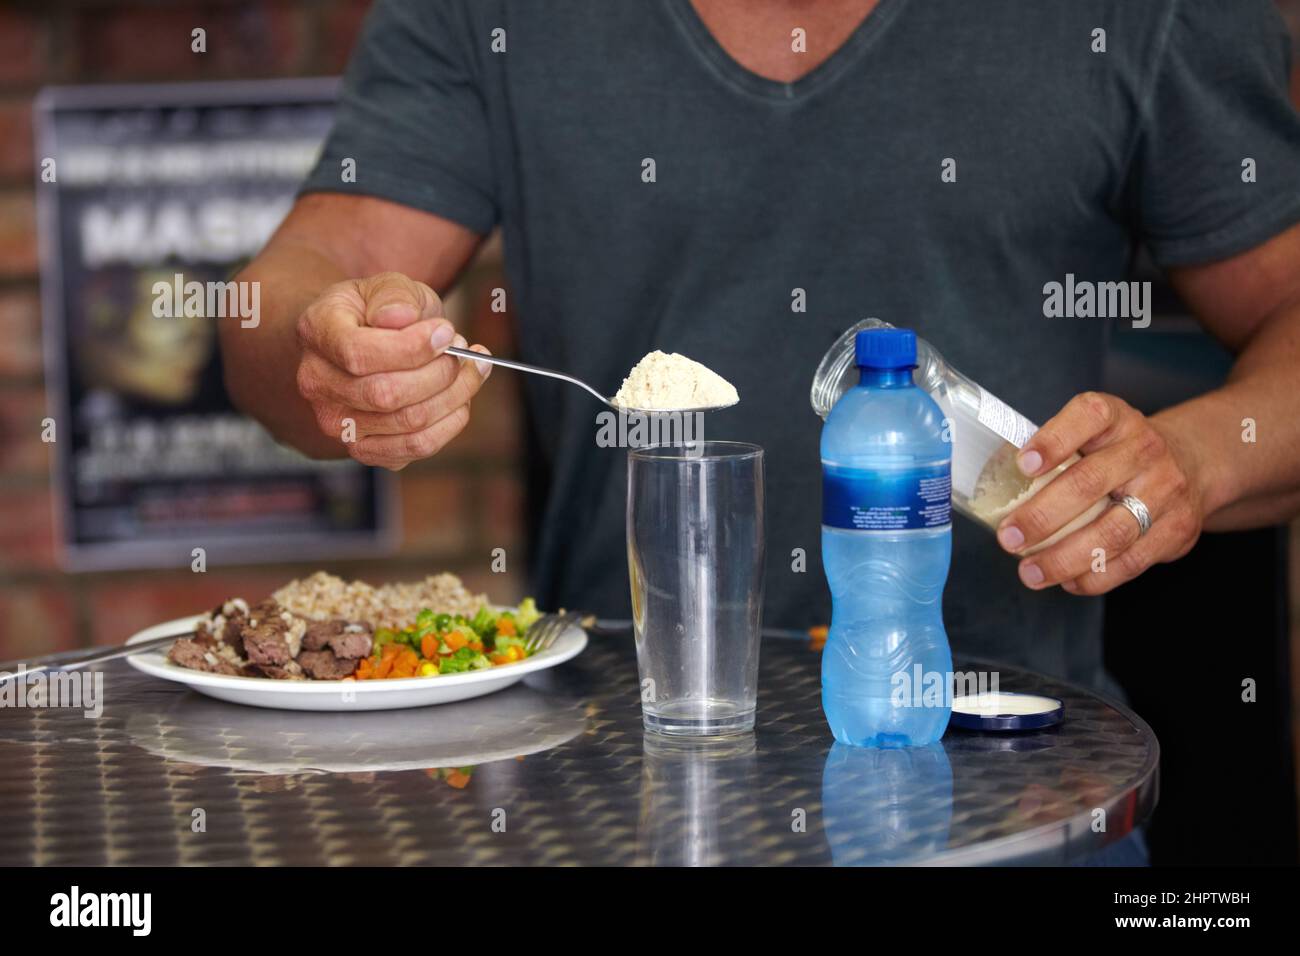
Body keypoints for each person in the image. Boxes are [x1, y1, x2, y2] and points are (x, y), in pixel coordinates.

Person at [222, 0, 1300, 705]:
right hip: (616, 776)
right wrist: (333, 346)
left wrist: (1192, 460)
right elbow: (299, 283)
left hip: (1012, 766)